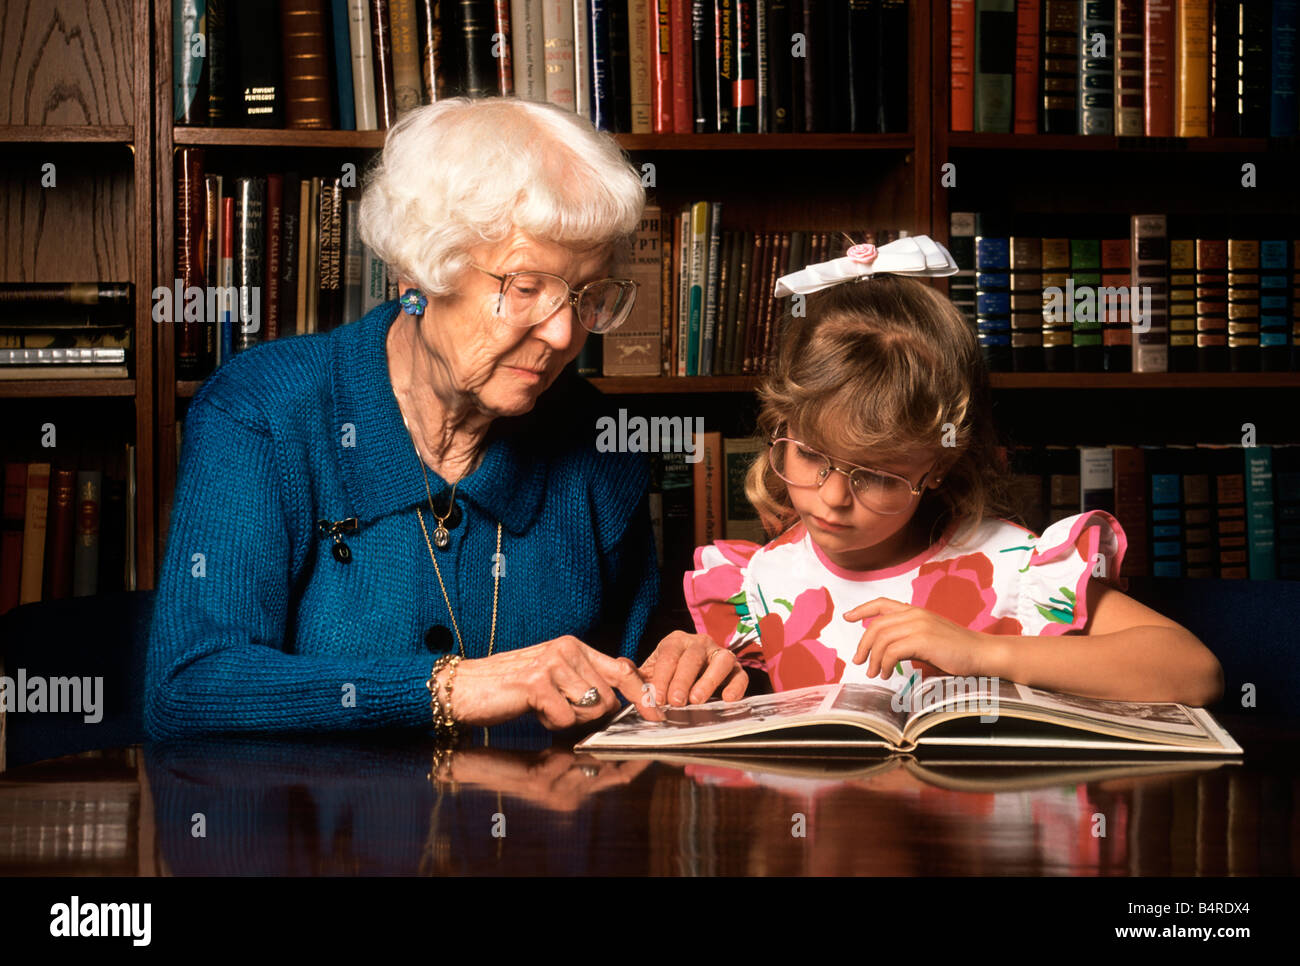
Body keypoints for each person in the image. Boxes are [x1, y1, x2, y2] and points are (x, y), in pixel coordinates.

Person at [145, 97, 746, 741]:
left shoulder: (601, 443)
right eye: (525, 289)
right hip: (316, 840)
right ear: (422, 271)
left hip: (544, 839)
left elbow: (630, 690)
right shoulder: (263, 412)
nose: (565, 332)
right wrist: (453, 686)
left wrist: (686, 667)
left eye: (587, 294)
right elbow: (187, 692)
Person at [683, 236, 1223, 706]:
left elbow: (1195, 671)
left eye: (875, 475)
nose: (833, 499)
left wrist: (981, 652)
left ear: (939, 463)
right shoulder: (759, 581)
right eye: (811, 457)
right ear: (781, 427)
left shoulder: (1012, 568)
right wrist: (690, 665)